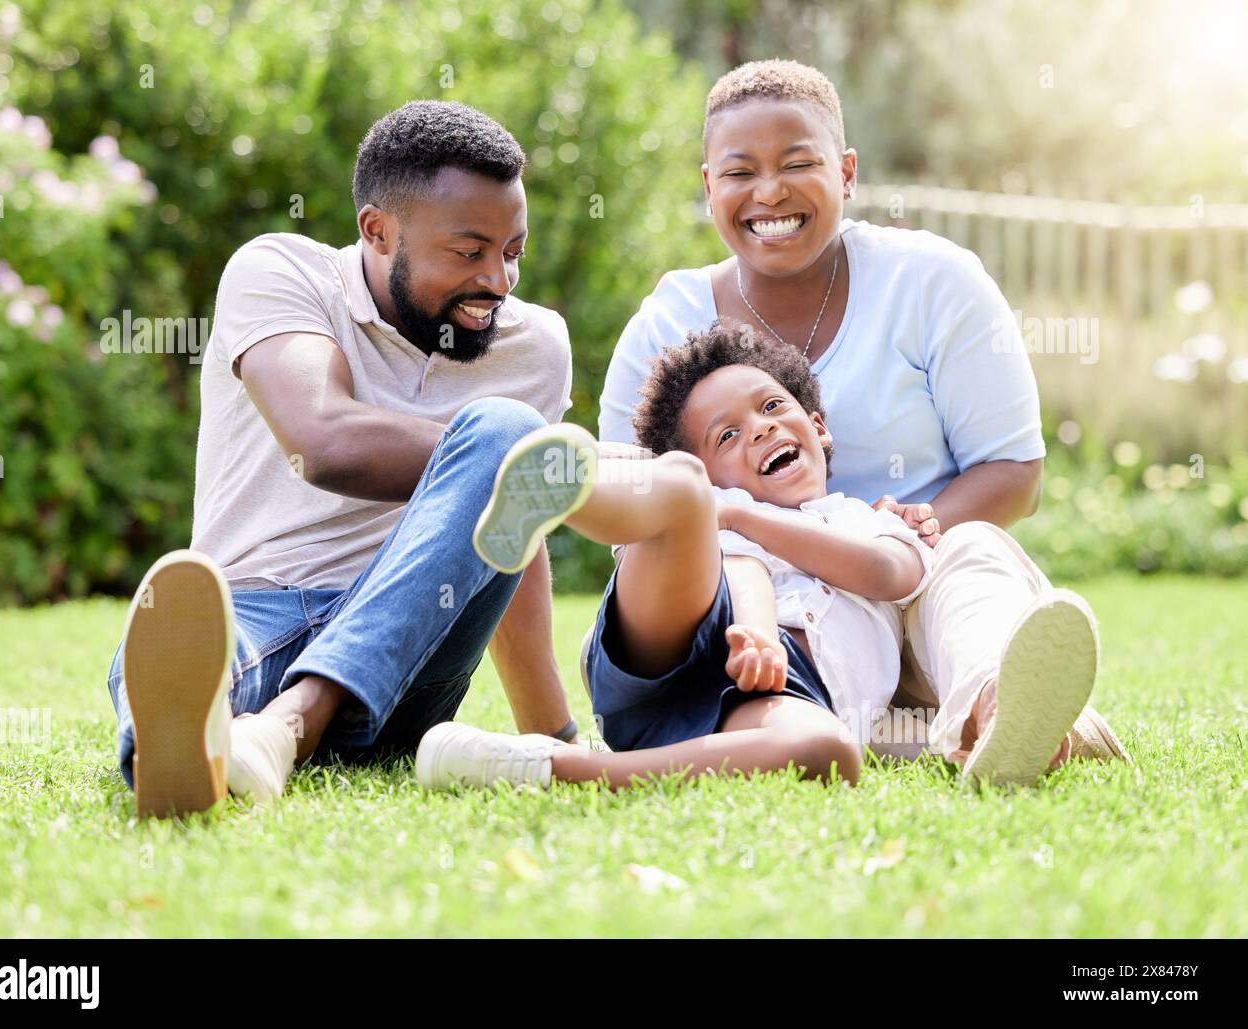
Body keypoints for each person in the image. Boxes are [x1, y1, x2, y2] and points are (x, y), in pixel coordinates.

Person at [595, 58, 1128, 761]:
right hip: (753, 624)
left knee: (974, 552)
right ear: (708, 185)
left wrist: (919, 526)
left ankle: (996, 711)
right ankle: (952, 729)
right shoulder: (669, 322)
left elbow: (1014, 470)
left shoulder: (932, 281)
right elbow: (635, 508)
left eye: (797, 162)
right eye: (739, 171)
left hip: (913, 589)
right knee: (811, 707)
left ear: (846, 173)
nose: (769, 191)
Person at [105, 100, 579, 818]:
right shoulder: (281, 273)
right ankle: (195, 745)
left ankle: (283, 727)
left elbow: (513, 534)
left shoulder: (535, 348)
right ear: (378, 230)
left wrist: (554, 733)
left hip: (412, 655)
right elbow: (321, 440)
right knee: (185, 661)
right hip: (255, 609)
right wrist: (495, 462)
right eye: (469, 251)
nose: (499, 281)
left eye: (513, 251)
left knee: (508, 433)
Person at [416, 326, 1101, 791]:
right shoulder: (722, 509)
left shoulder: (865, 519)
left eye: (773, 406)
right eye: (730, 434)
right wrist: (756, 622)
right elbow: (741, 567)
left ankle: (561, 767)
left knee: (830, 752)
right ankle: (569, 491)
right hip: (688, 625)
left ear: (819, 425)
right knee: (682, 490)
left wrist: (751, 520)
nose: (762, 428)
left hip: (781, 691)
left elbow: (888, 573)